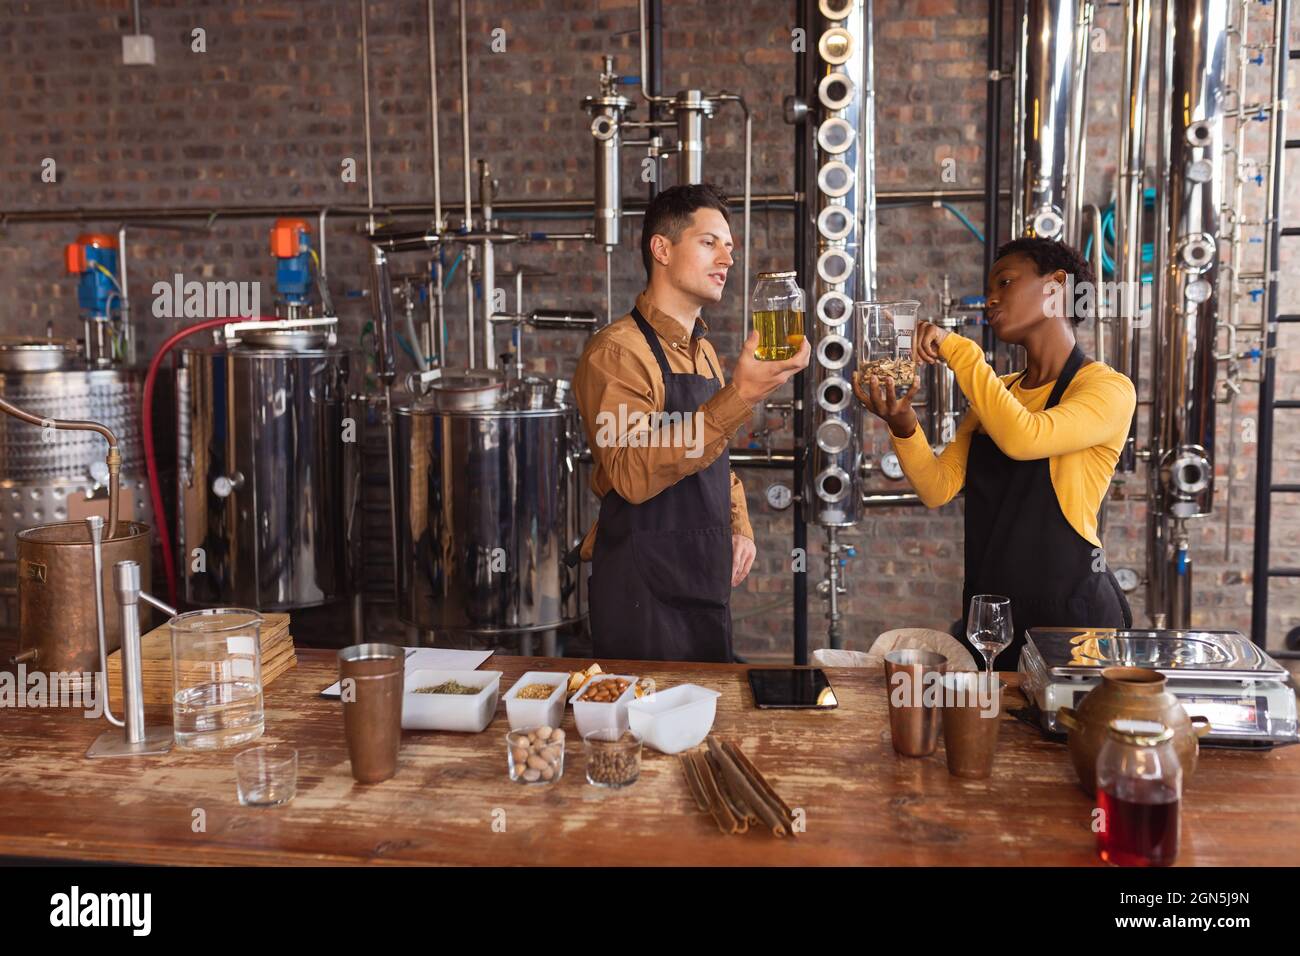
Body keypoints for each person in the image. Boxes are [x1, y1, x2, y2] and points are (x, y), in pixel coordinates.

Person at [854, 237, 1136, 668]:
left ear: (1057, 286)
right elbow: (938, 487)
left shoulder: (1107, 388)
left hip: (1071, 624)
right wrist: (901, 421)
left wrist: (963, 352)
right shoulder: (1000, 392)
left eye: (1005, 282)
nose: (991, 298)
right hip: (991, 621)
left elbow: (1026, 438)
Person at [573, 184, 810, 662]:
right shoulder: (618, 352)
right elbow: (631, 472)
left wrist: (739, 524)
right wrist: (741, 395)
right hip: (641, 591)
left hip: (701, 578)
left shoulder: (702, 350)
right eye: (710, 243)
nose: (727, 258)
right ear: (662, 248)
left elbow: (715, 453)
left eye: (729, 247)